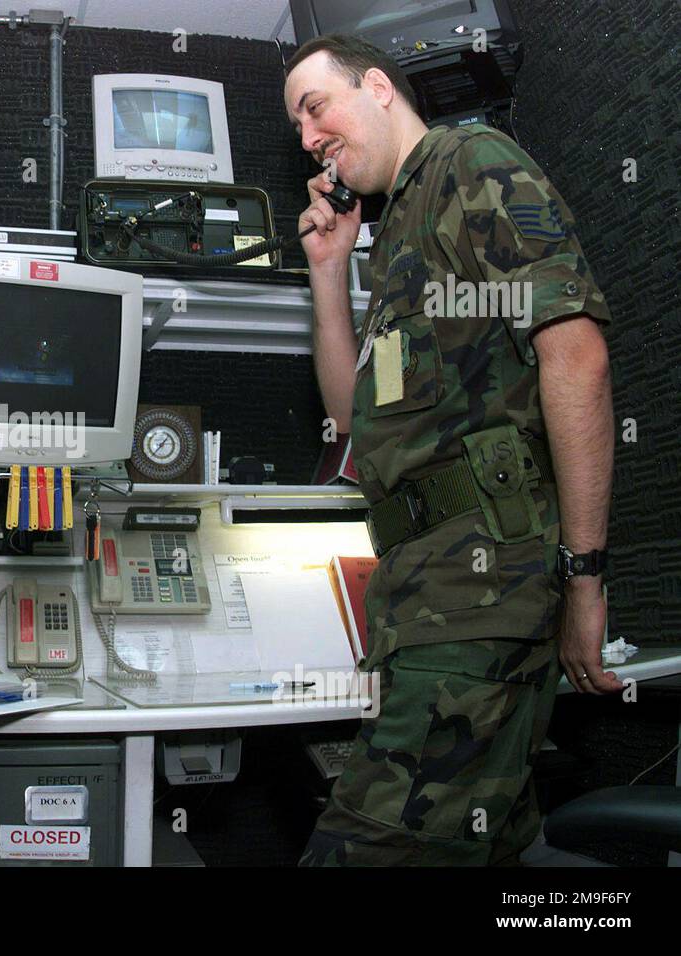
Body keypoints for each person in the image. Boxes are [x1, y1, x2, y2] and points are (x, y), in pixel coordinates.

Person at [283, 35, 617, 865]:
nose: (307, 137)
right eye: (295, 126)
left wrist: (584, 579)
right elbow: (347, 423)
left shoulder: (471, 158)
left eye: (315, 106)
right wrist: (330, 272)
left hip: (483, 595)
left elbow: (575, 355)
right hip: (422, 598)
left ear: (379, 88)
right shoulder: (397, 234)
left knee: (363, 849)